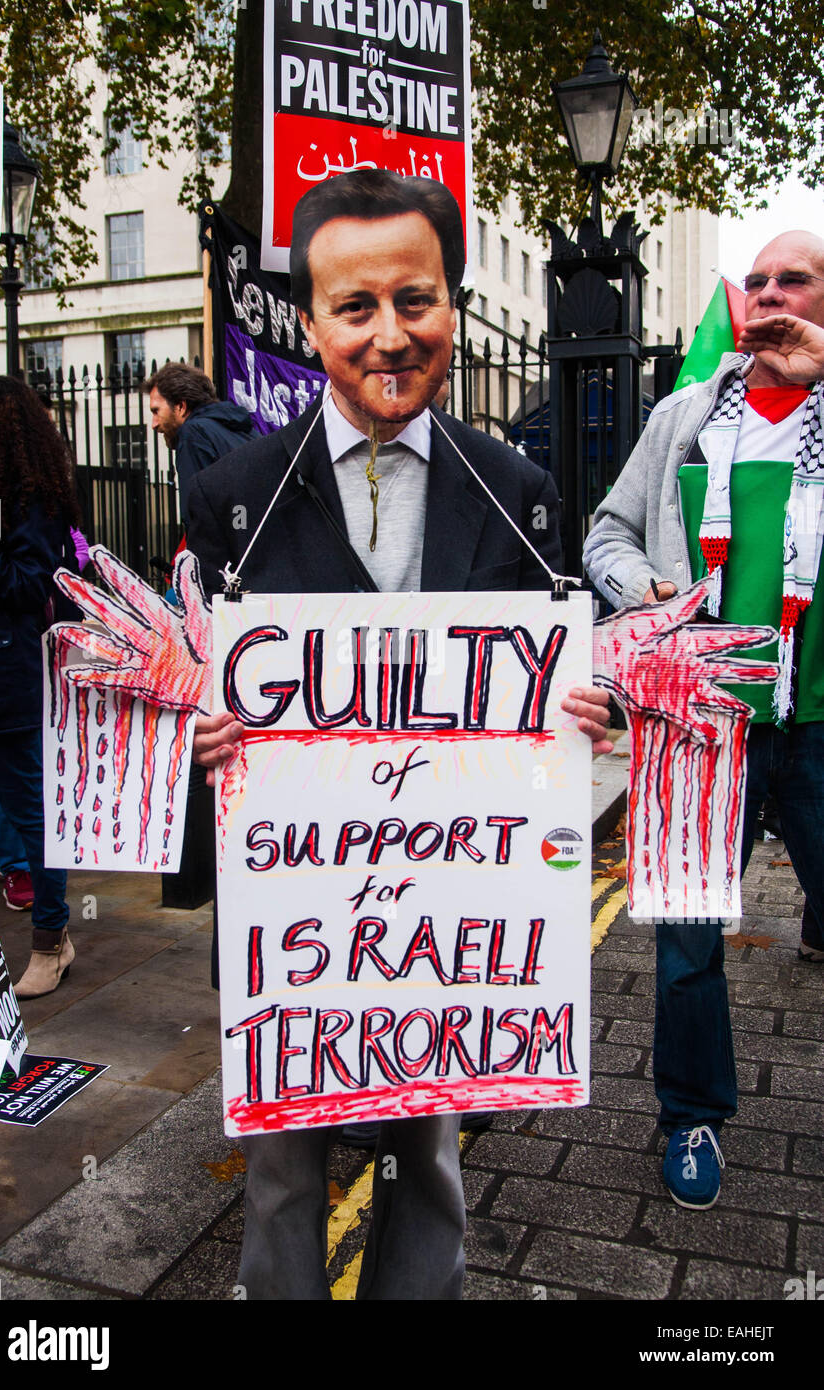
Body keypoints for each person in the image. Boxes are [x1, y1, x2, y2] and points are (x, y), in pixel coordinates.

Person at [185, 169, 612, 1301]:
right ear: (311, 320)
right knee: (282, 1158)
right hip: (296, 919)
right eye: (353, 307)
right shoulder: (232, 491)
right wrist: (195, 729)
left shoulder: (514, 485)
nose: (387, 336)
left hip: (453, 915)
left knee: (428, 1146)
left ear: (454, 307)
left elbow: (548, 674)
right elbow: (174, 681)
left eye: (414, 300)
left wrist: (584, 708)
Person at [583, 230, 824, 1209]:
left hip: (811, 727)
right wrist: (645, 585)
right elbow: (605, 528)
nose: (766, 296)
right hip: (698, 727)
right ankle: (689, 1117)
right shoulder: (685, 416)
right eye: (755, 281)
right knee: (684, 941)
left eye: (793, 280)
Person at [0, 376, 78, 999]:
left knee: (30, 815)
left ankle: (50, 939)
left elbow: (29, 587)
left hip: (3, 674)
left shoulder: (28, 497)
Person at [144, 362, 255, 513]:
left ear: (181, 407)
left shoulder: (193, 434)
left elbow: (198, 517)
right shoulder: (244, 432)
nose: (154, 424)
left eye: (156, 411)